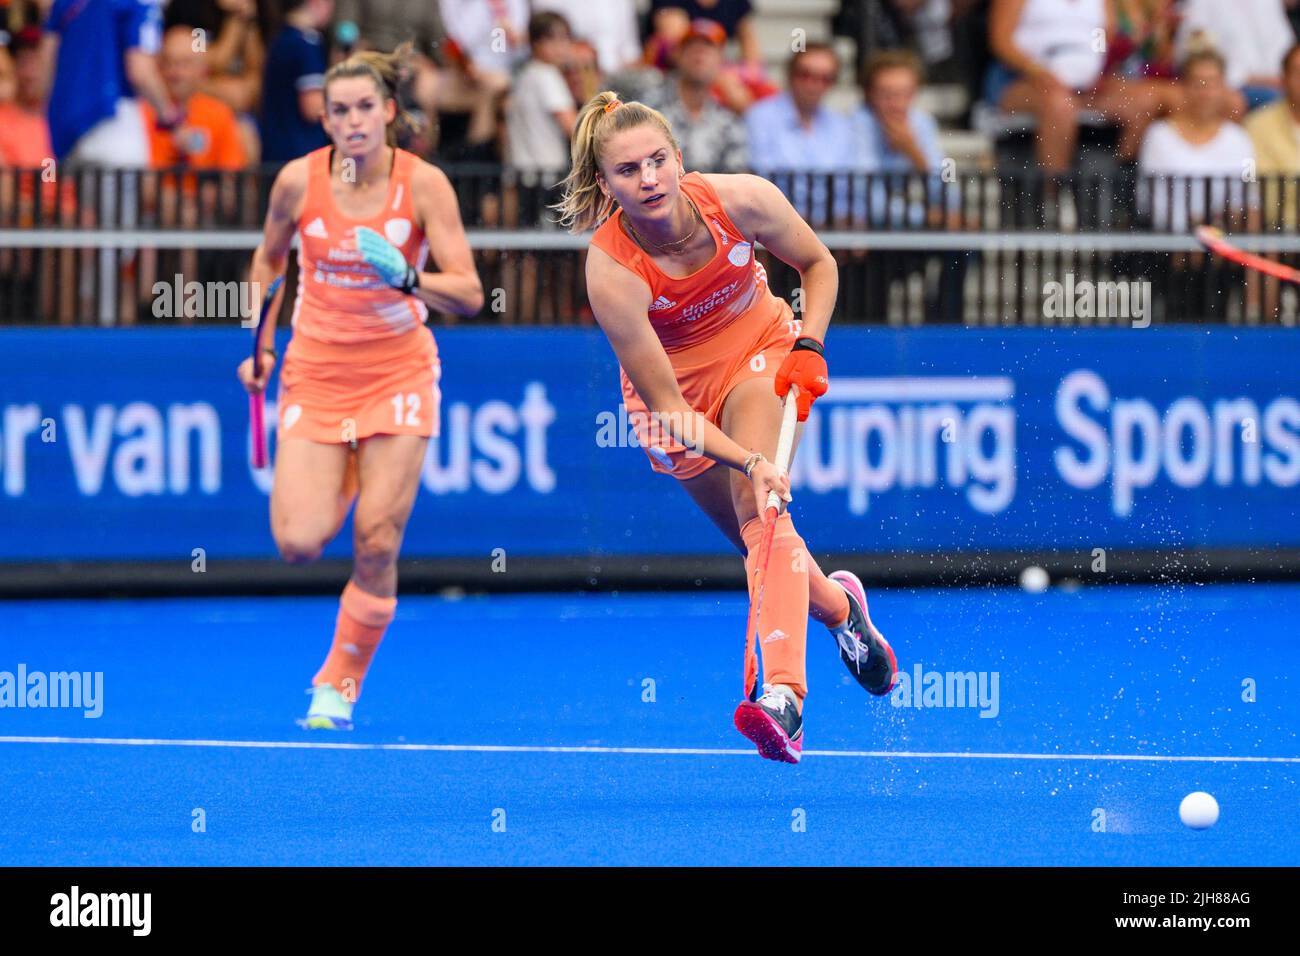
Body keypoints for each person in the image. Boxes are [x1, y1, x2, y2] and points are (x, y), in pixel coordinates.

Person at [557, 92, 899, 764]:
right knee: (763, 537)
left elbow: (820, 264)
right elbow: (671, 410)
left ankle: (784, 698)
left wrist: (811, 344)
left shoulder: (739, 199)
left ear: (679, 159)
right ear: (607, 185)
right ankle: (841, 611)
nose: (648, 178)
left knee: (761, 516)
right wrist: (748, 458)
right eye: (628, 171)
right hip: (677, 400)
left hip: (759, 350)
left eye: (658, 160)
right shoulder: (611, 271)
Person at [237, 46, 484, 730]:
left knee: (377, 540)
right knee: (298, 540)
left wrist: (410, 280)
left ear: (390, 114)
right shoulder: (295, 182)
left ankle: (337, 685)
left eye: (365, 108)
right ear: (325, 120)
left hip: (399, 369)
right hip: (316, 372)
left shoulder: (425, 185)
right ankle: (349, 466)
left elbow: (468, 293)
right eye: (339, 110)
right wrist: (258, 344)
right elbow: (267, 259)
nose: (353, 121)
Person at [745, 44, 858, 227]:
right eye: (805, 74)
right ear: (790, 74)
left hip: (830, 228)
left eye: (825, 78)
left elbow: (845, 187)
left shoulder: (840, 125)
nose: (814, 84)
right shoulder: (760, 116)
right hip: (773, 227)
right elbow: (763, 179)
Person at [641, 19, 749, 173]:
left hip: (712, 196)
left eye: (708, 48)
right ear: (677, 55)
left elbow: (738, 179)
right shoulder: (650, 109)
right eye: (692, 46)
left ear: (721, 60)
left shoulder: (728, 121)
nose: (700, 54)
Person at [259, 0, 332, 163]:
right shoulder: (308, 43)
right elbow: (313, 109)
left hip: (274, 150)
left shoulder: (280, 38)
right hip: (302, 153)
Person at [505, 11, 576, 174]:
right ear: (535, 43)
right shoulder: (547, 75)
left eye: (564, 38)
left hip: (522, 174)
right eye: (552, 39)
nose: (561, 47)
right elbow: (574, 128)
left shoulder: (523, 75)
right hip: (546, 175)